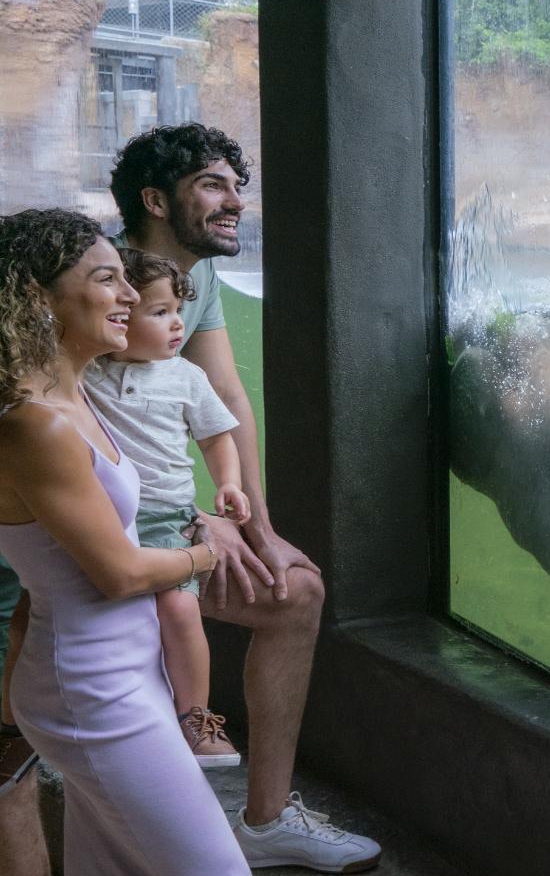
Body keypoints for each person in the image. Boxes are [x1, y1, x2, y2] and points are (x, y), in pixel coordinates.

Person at [103, 122, 381, 870]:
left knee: (296, 592)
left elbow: (221, 395)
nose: (235, 202)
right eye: (213, 186)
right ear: (156, 200)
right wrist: (196, 523)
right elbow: (67, 417)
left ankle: (265, 820)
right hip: (69, 538)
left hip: (152, 531)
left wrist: (257, 527)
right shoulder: (101, 278)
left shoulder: (196, 283)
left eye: (237, 186)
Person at [0, 207, 250, 874]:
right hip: (93, 689)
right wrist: (207, 551)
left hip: (116, 672)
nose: (132, 297)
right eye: (108, 279)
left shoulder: (73, 401)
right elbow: (118, 573)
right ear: (38, 298)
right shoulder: (36, 426)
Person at [83, 246, 251, 768]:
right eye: (160, 313)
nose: (178, 324)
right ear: (119, 316)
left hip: (165, 517)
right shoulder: (86, 372)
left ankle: (195, 717)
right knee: (121, 619)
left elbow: (218, 435)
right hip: (103, 516)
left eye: (179, 310)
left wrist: (229, 484)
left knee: (179, 610)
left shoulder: (185, 377)